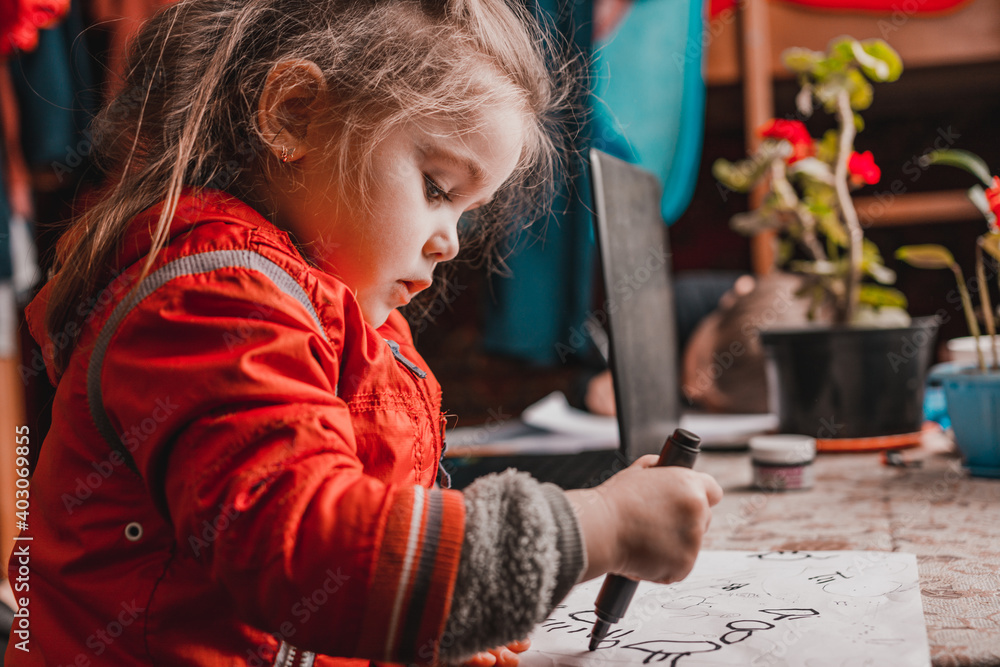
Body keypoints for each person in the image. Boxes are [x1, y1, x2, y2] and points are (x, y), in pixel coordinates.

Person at [11, 1, 722, 665]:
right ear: (294, 114)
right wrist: (597, 525)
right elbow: (313, 557)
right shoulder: (211, 305)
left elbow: (347, 575)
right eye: (438, 188)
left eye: (466, 212)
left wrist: (429, 623)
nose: (450, 241)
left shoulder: (352, 315)